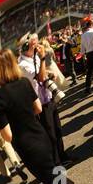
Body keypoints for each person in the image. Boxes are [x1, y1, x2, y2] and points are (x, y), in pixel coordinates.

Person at [0, 50, 93, 184]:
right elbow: (38, 108)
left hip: (28, 147)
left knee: (55, 179)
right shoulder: (24, 83)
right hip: (41, 135)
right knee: (53, 170)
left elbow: (7, 136)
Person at [19, 33, 69, 163]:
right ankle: (56, 163)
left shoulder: (33, 56)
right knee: (50, 135)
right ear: (26, 46)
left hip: (48, 97)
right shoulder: (23, 64)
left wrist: (49, 73)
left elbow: (42, 73)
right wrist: (42, 59)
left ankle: (63, 156)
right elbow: (40, 77)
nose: (37, 45)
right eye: (33, 43)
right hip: (40, 103)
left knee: (57, 130)